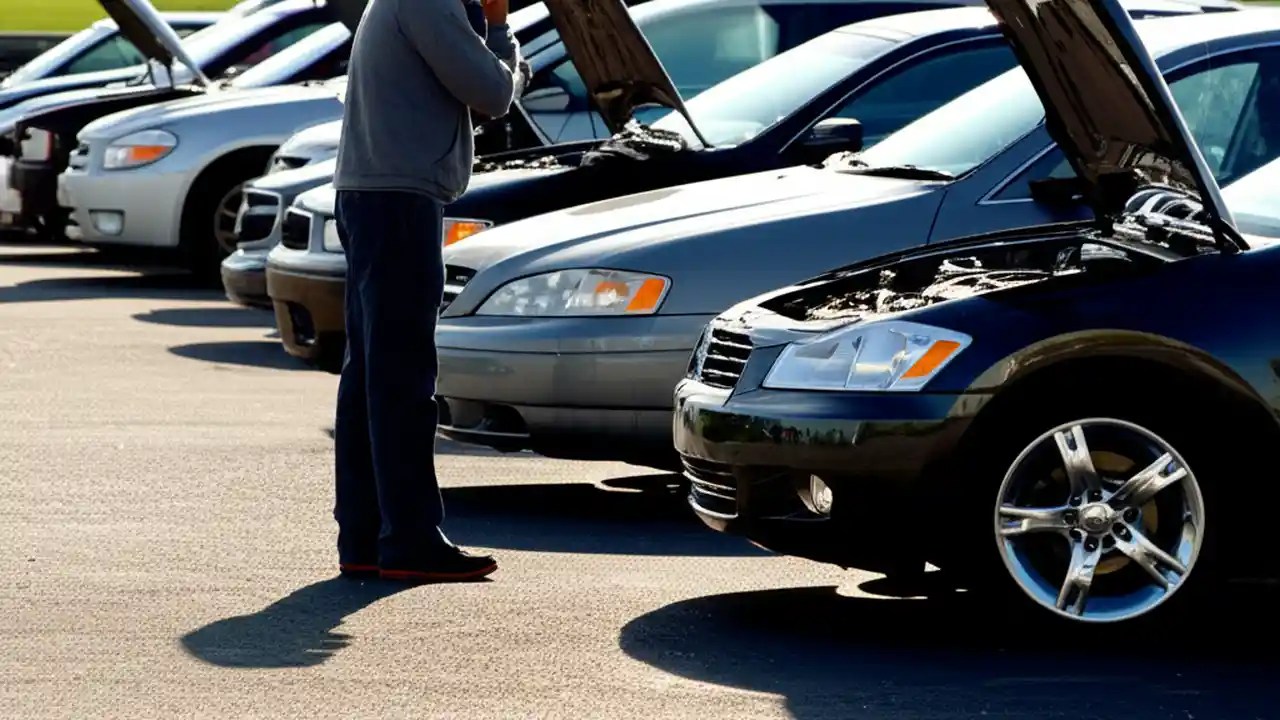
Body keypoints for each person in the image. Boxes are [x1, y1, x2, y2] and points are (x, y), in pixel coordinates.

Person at [331, 0, 526, 583]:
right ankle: (410, 539)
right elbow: (492, 93)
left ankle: (367, 537)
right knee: (402, 378)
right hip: (397, 199)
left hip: (374, 194)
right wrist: (498, 25)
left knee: (371, 376)